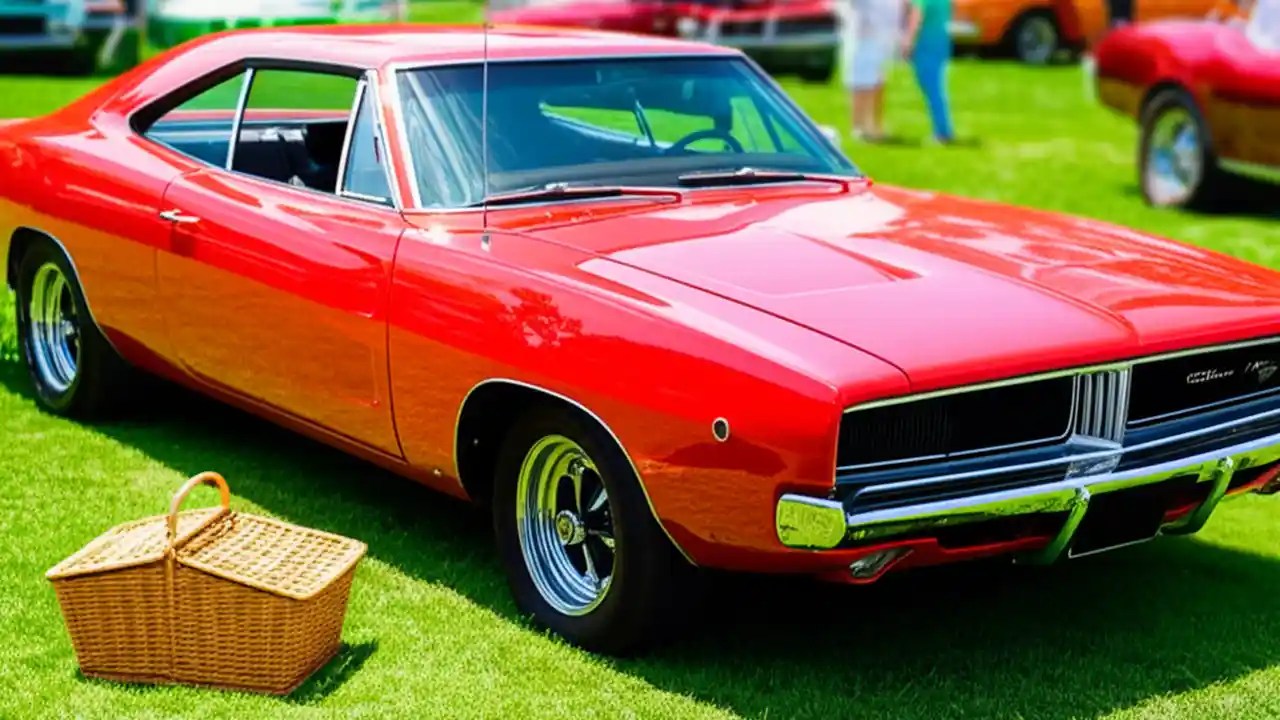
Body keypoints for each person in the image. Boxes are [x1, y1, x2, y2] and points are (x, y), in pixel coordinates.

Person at [840, 0, 904, 142]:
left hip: (880, 39)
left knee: (877, 82)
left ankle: (875, 126)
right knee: (860, 84)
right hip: (861, 38)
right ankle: (859, 126)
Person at [902, 0, 954, 144]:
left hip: (926, 44)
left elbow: (916, 18)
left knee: (932, 88)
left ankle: (942, 132)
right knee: (936, 87)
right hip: (941, 42)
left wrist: (908, 42)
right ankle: (943, 129)